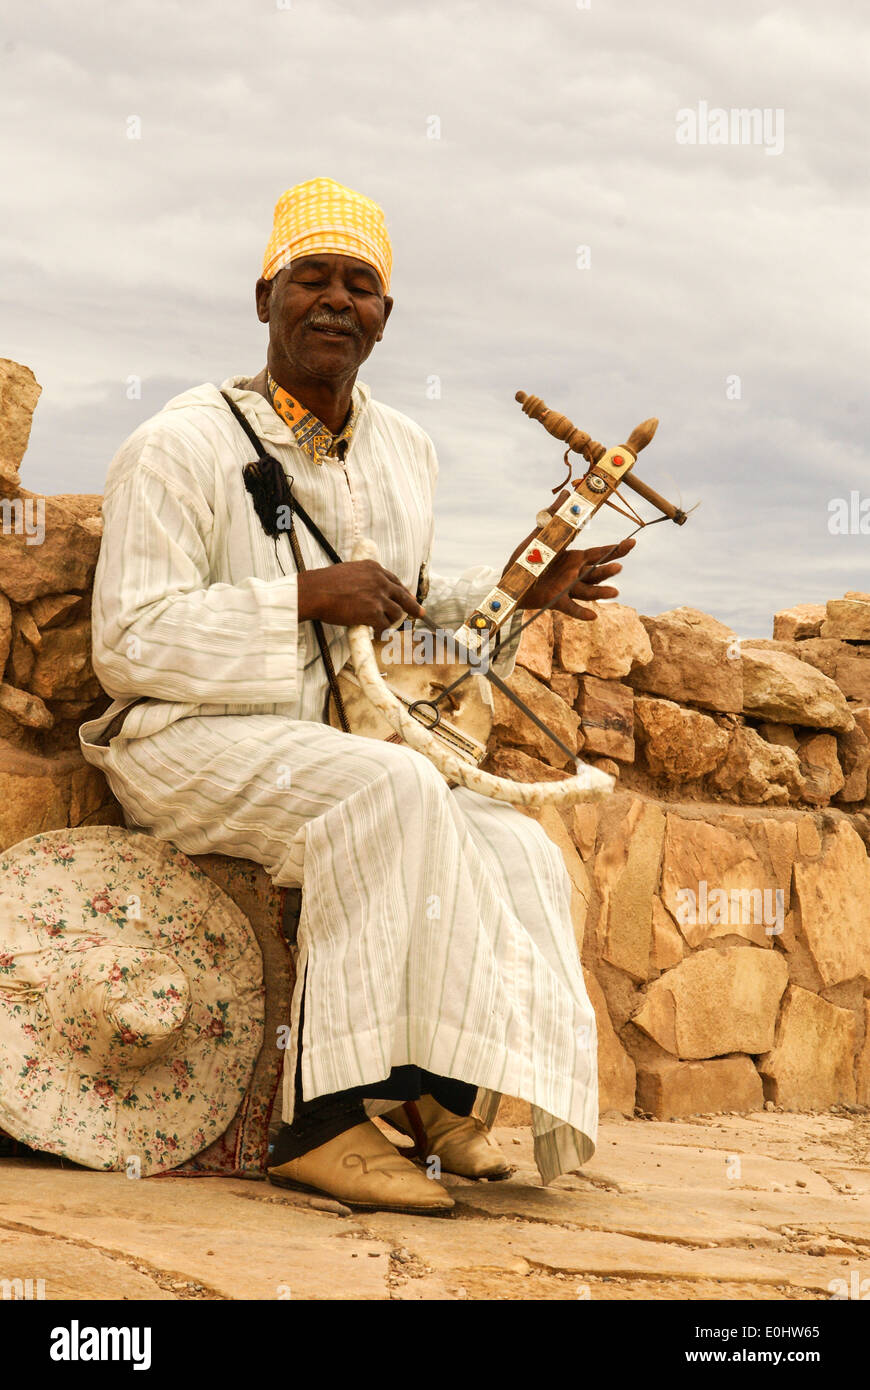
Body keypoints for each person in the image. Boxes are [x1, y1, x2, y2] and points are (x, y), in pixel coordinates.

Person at [80, 177, 634, 1215]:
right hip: (182, 736)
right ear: (265, 300)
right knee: (391, 792)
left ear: (386, 318)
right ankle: (322, 1121)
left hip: (330, 739)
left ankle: (434, 1094)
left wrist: (519, 593)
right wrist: (296, 598)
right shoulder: (179, 444)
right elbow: (128, 643)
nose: (335, 301)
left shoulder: (404, 451)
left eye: (360, 285)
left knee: (513, 839)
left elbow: (401, 624)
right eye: (311, 279)